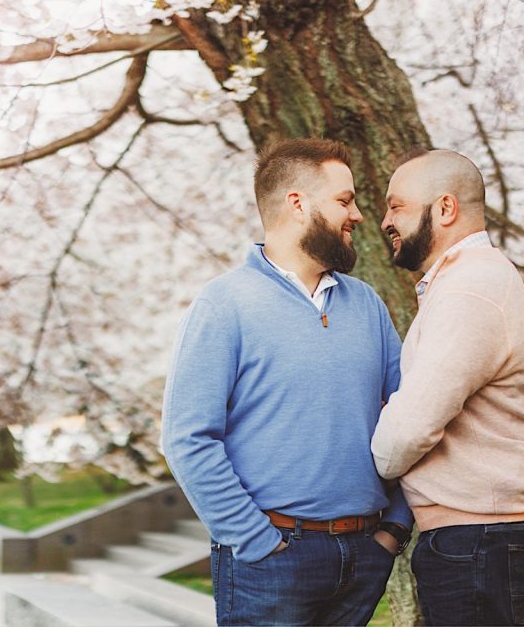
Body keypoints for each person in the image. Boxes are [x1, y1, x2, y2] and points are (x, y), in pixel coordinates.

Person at [162, 138, 413, 626]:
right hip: (271, 560)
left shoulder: (366, 304)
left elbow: (409, 418)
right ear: (298, 203)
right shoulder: (224, 305)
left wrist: (395, 529)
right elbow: (188, 438)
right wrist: (255, 540)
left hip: (365, 553)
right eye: (344, 200)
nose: (358, 215)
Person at [371, 148, 524, 626]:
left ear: (445, 208)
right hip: (486, 536)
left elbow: (408, 430)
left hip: (482, 537)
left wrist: (378, 444)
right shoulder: (470, 279)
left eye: (396, 206)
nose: (385, 221)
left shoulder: (468, 288)